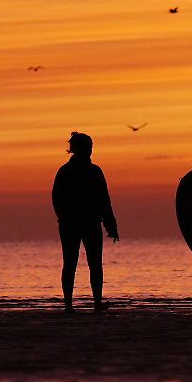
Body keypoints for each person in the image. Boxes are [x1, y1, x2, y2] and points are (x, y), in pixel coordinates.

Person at [51, 131, 119, 311]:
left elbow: (104, 199)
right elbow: (57, 198)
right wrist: (64, 218)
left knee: (88, 263)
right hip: (78, 224)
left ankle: (87, 303)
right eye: (88, 147)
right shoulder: (73, 172)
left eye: (91, 147)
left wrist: (110, 223)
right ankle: (73, 304)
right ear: (78, 149)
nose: (90, 150)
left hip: (83, 223)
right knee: (77, 263)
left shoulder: (87, 171)